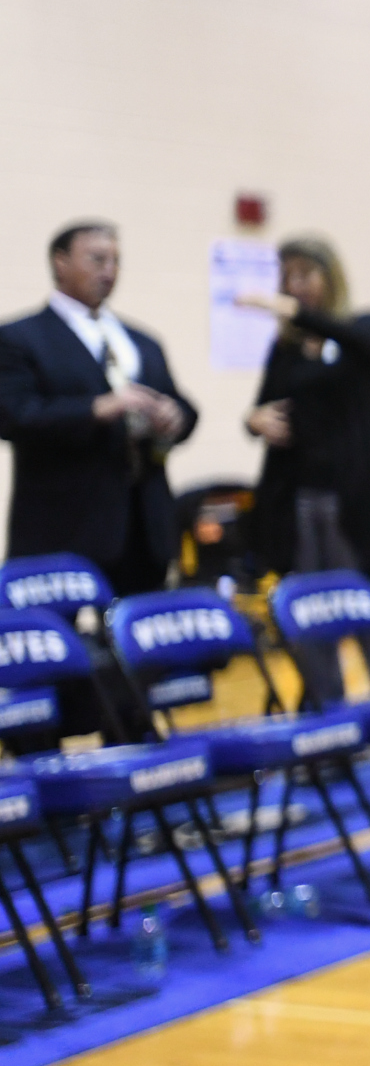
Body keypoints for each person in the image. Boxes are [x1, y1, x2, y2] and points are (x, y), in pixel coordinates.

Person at [0, 222, 198, 738]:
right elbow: (15, 416)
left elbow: (183, 406)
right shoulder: (21, 338)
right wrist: (101, 407)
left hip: (140, 523)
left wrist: (174, 419)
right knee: (47, 663)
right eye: (95, 258)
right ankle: (48, 788)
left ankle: (142, 782)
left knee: (140, 662)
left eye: (114, 259)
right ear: (59, 261)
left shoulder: (138, 341)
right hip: (62, 528)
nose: (108, 270)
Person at [239, 236, 370, 712]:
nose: (295, 286)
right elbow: (263, 405)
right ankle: (327, 725)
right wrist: (252, 421)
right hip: (299, 501)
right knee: (309, 617)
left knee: (369, 614)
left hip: (354, 503)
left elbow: (355, 341)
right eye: (287, 277)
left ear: (329, 277)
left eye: (305, 274)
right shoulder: (287, 349)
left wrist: (289, 312)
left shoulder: (362, 329)